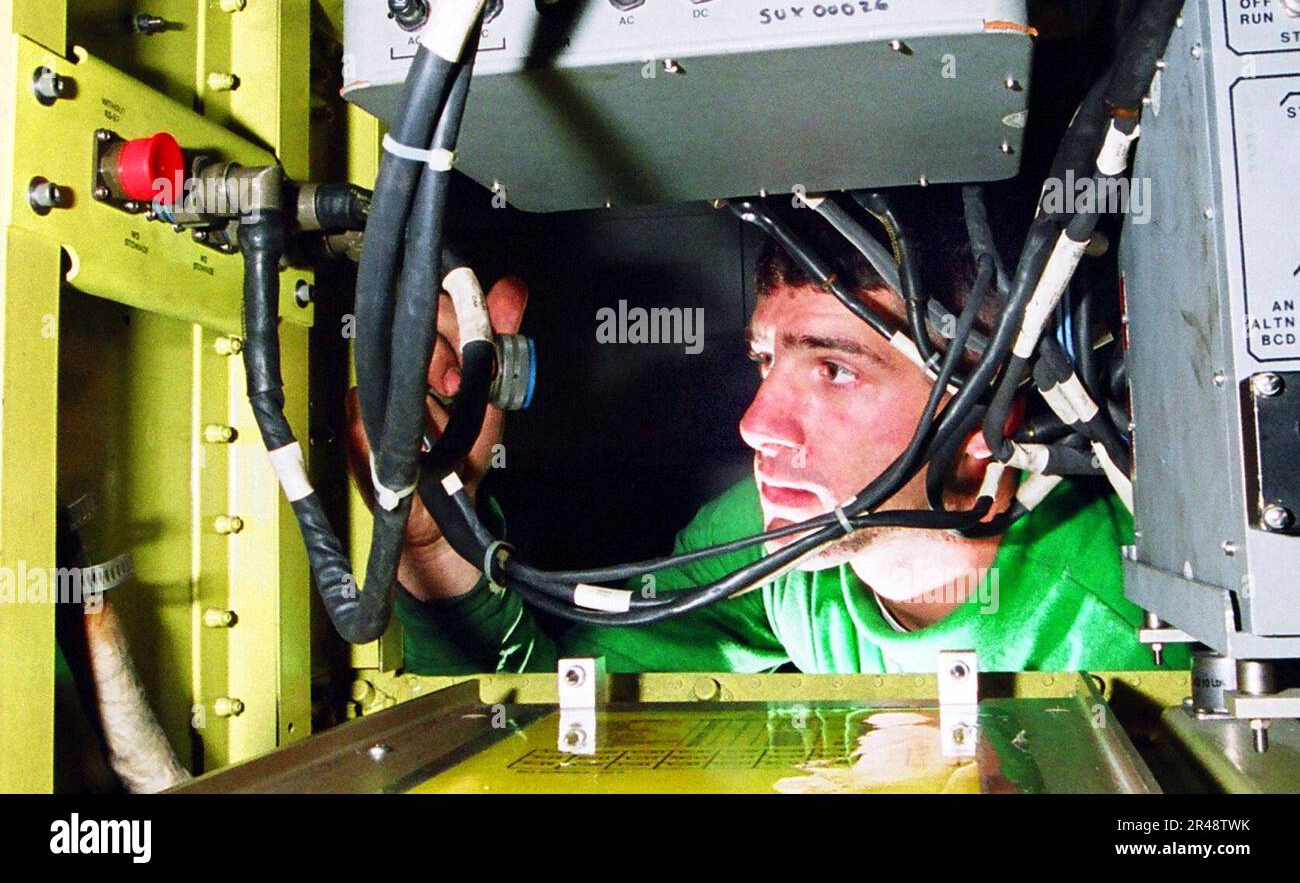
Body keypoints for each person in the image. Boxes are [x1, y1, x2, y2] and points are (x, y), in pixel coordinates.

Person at [343, 198, 1189, 674]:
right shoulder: (767, 532)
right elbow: (557, 718)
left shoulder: (1134, 602)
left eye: (834, 369)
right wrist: (432, 542)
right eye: (762, 362)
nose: (757, 425)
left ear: (989, 420)